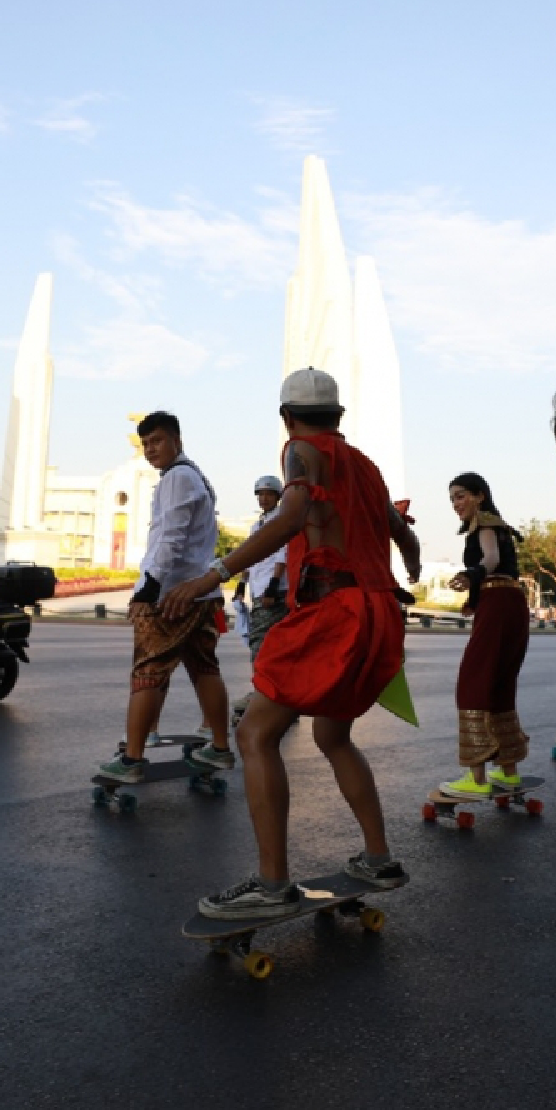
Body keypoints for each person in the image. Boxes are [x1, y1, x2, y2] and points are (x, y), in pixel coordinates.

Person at [161, 368, 423, 919]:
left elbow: (293, 514)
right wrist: (414, 558)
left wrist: (213, 575)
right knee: (333, 734)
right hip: (380, 612)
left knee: (255, 733)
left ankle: (272, 882)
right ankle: (378, 858)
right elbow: (402, 532)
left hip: (335, 610)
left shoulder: (300, 450)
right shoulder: (367, 468)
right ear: (340, 416)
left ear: (287, 416)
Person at [95, 411, 235, 782]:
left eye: (157, 441)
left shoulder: (176, 478)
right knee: (204, 668)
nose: (150, 449)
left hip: (171, 594)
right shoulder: (196, 477)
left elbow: (170, 537)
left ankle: (133, 759)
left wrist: (149, 588)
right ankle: (219, 748)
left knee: (148, 672)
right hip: (201, 592)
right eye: (145, 444)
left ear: (177, 440)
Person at [441, 473, 530, 798]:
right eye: (452, 499)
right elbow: (500, 565)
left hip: (499, 604)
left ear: (480, 496)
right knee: (500, 684)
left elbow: (490, 559)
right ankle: (509, 772)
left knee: (473, 681)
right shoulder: (497, 524)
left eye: (461, 496)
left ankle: (477, 778)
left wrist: (472, 574)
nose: (456, 504)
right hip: (510, 602)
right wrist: (474, 598)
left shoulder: (486, 523)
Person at [231, 475, 289, 724]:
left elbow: (282, 556)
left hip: (272, 593)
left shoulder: (280, 522)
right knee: (268, 645)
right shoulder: (258, 526)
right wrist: (241, 585)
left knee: (259, 645)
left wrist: (273, 587)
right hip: (258, 591)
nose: (264, 498)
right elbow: (251, 557)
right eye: (261, 494)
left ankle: (263, 696)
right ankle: (277, 698)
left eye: (269, 494)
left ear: (277, 497)